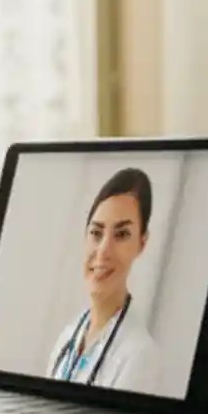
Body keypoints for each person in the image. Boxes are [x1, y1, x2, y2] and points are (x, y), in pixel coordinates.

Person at [46, 168, 163, 394]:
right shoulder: (68, 337)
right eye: (96, 233)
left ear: (142, 243)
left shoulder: (140, 356)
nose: (103, 251)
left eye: (121, 234)